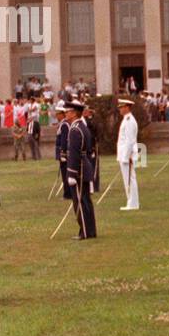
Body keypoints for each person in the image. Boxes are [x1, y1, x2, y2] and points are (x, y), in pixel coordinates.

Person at [64, 100, 97, 239]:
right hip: (84, 166)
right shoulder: (81, 126)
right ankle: (90, 230)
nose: (66, 113)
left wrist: (71, 173)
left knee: (80, 202)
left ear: (73, 113)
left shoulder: (75, 129)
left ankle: (84, 231)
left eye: (68, 111)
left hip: (79, 169)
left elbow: (74, 152)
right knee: (85, 200)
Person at [116, 98, 140, 211]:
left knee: (130, 179)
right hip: (124, 154)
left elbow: (130, 140)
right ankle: (131, 201)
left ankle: (133, 203)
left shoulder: (130, 120)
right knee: (128, 179)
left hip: (127, 155)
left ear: (127, 107)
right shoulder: (126, 119)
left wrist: (126, 157)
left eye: (122, 107)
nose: (120, 109)